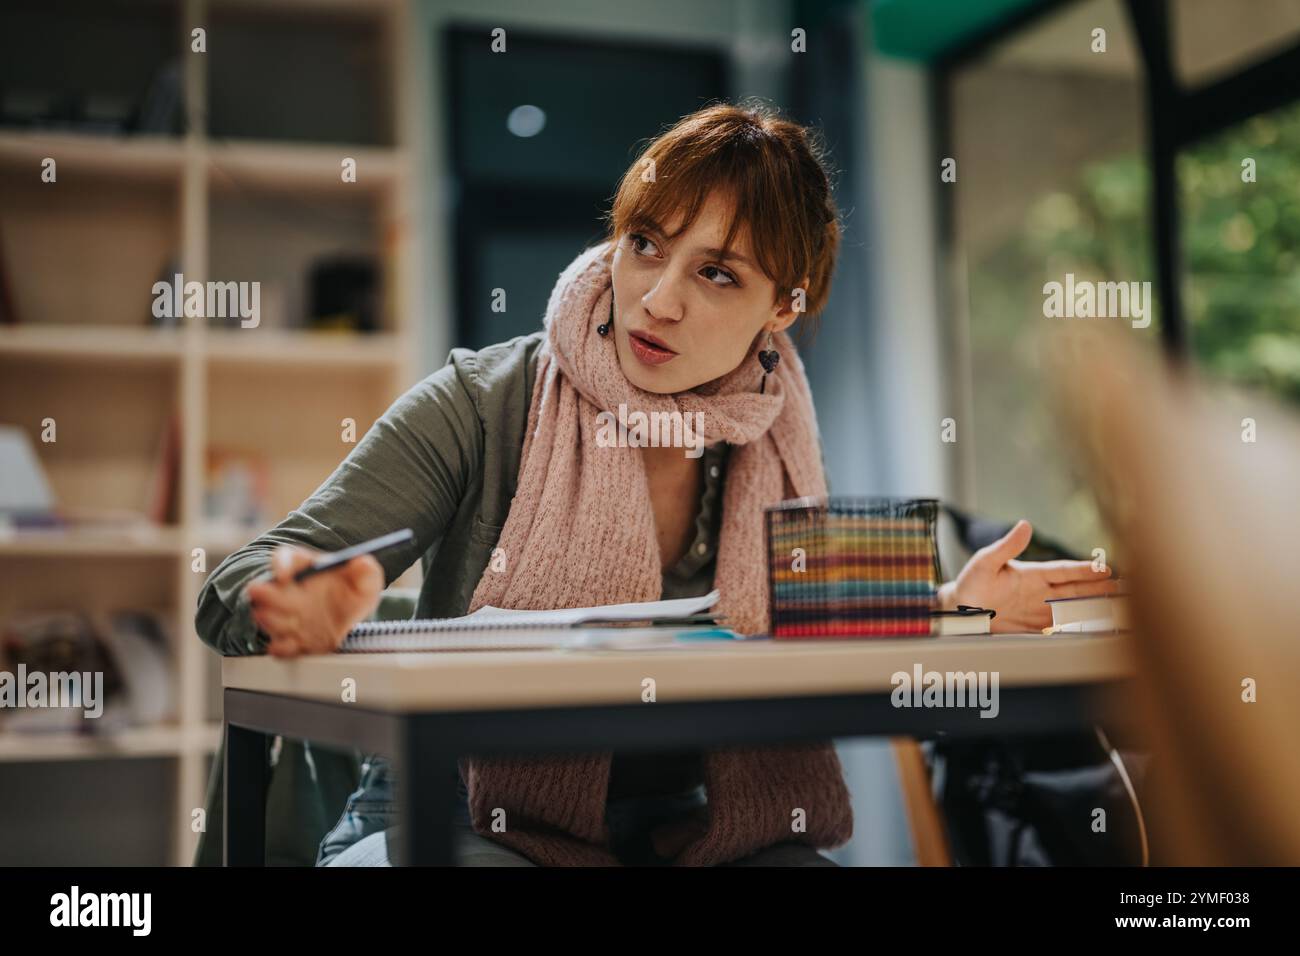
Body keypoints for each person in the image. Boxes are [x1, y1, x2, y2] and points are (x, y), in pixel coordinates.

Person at [195, 101, 1118, 867]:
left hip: (699, 830)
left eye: (716, 273)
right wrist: (292, 602)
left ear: (784, 307)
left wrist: (960, 608)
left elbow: (817, 608)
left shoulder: (776, 420)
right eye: (646, 243)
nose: (658, 298)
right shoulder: (483, 402)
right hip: (458, 817)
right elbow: (237, 582)